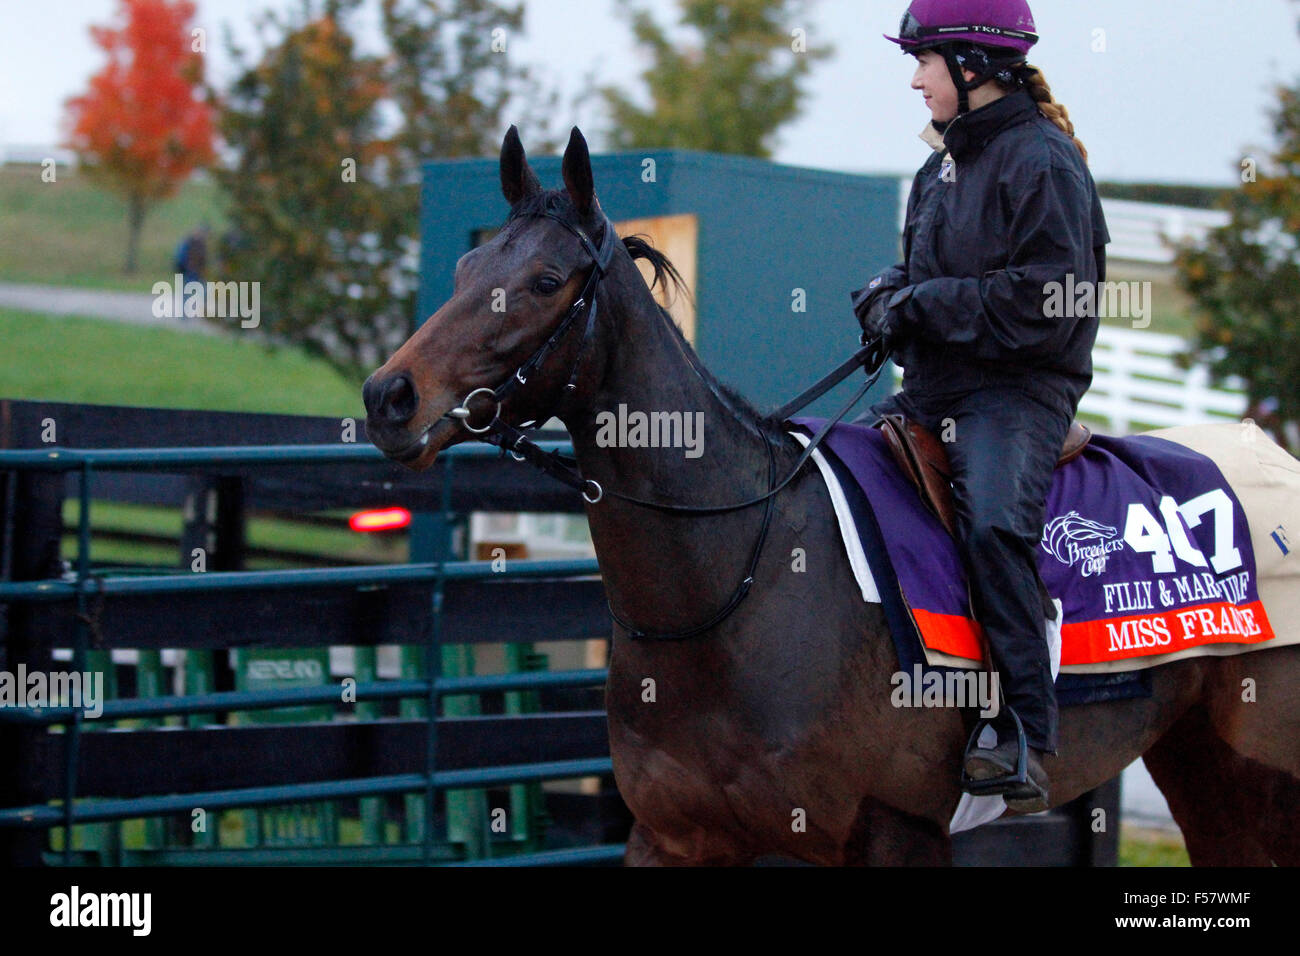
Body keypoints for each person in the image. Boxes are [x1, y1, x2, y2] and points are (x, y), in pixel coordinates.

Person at [850, 0, 1110, 812]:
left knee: (994, 522)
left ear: (976, 65)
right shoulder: (937, 171)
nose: (917, 79)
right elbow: (914, 277)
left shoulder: (1045, 165)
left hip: (1019, 391)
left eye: (926, 61)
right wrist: (886, 301)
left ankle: (1024, 731)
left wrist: (924, 304)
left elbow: (1051, 305)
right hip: (931, 390)